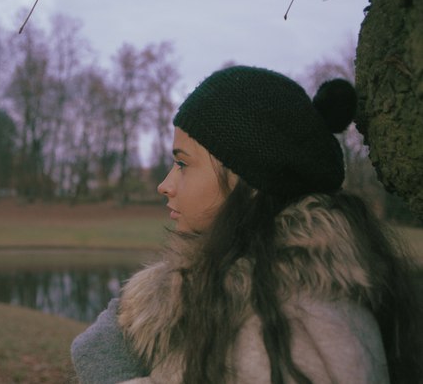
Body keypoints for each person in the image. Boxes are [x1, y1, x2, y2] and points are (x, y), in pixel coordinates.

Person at [70, 66, 422, 383]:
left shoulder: (290, 326)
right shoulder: (258, 295)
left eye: (183, 164)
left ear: (249, 181)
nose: (165, 185)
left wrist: (108, 367)